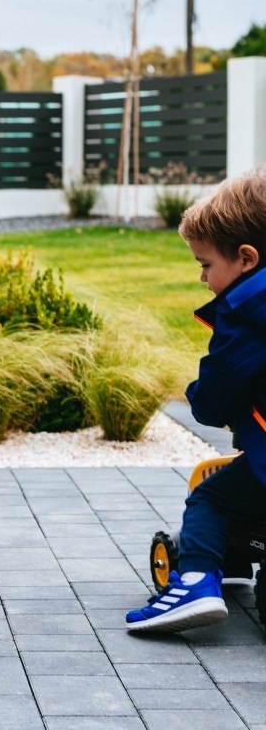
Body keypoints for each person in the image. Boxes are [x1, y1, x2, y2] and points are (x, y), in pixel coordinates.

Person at [126, 168, 266, 632]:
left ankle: (196, 583)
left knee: (211, 499)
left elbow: (217, 396)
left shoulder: (246, 315)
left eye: (206, 264)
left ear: (246, 258)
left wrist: (199, 400)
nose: (202, 277)